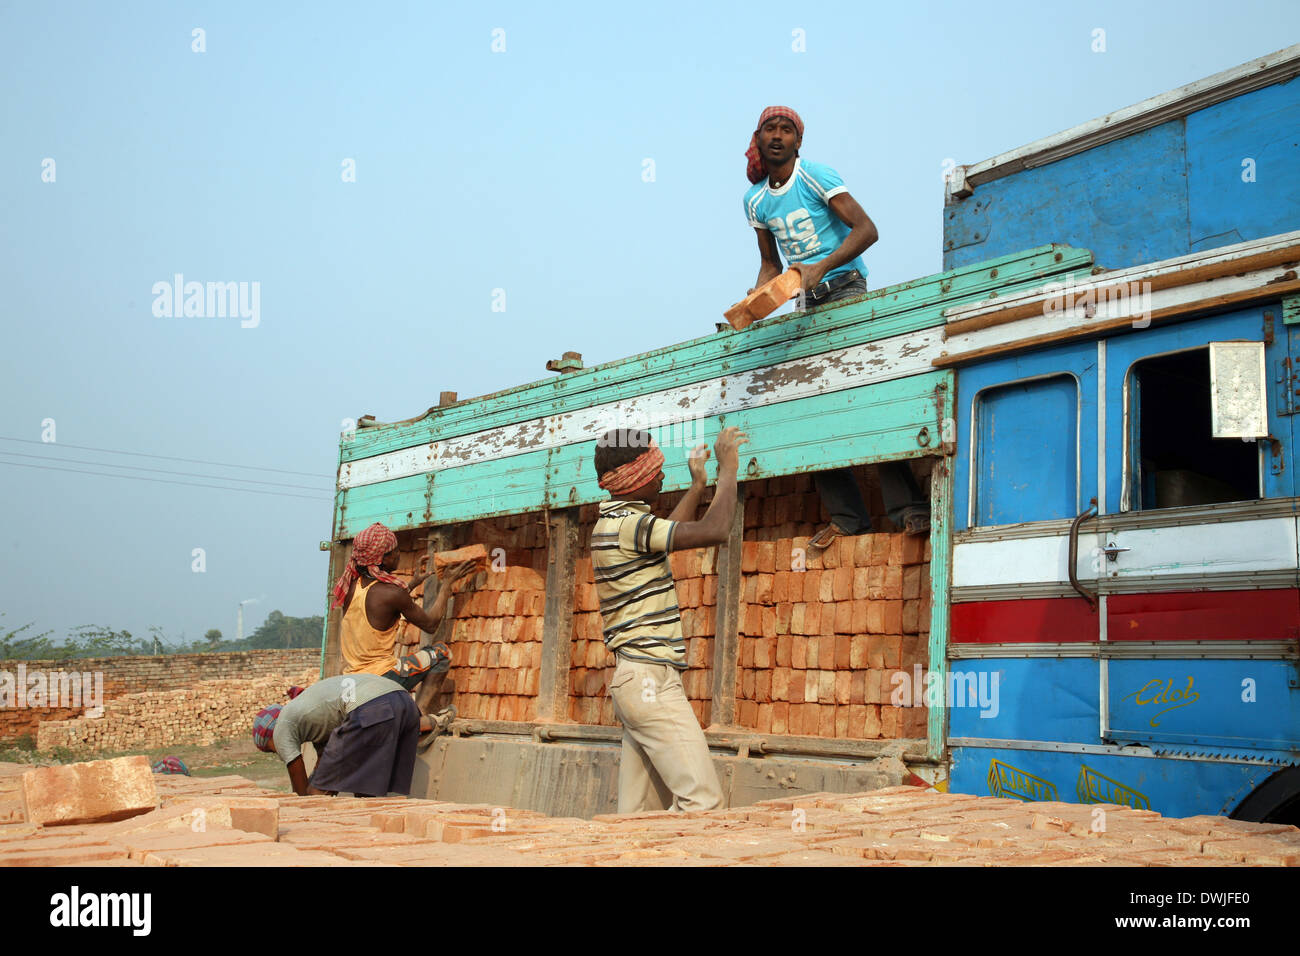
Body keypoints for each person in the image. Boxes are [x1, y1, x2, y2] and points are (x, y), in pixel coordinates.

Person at [741, 105, 930, 545]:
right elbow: (770, 264)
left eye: (787, 130)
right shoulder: (754, 200)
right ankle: (848, 519)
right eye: (770, 129)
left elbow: (867, 230)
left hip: (845, 288)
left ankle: (910, 509)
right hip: (804, 302)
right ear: (759, 138)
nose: (778, 136)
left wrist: (820, 266)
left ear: (797, 142)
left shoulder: (815, 176)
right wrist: (750, 305)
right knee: (811, 408)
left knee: (864, 397)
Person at [591, 425, 749, 813]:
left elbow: (666, 538)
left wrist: (697, 488)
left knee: (638, 819)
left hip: (635, 681)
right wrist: (729, 468)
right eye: (656, 468)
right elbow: (715, 530)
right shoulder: (629, 526)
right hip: (650, 680)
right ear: (637, 476)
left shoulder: (616, 524)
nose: (663, 476)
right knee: (703, 802)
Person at [331, 521, 476, 720]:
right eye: (395, 551)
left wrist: (414, 582)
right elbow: (431, 624)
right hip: (380, 676)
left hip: (352, 678)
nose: (399, 555)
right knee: (441, 653)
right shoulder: (392, 593)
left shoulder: (350, 587)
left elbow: (380, 607)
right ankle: (421, 716)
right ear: (383, 558)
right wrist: (447, 585)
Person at [252, 674, 423, 797]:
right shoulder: (316, 722)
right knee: (364, 787)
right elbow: (327, 767)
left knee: (315, 795)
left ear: (270, 736)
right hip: (404, 702)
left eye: (271, 750)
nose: (278, 754)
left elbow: (301, 791)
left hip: (371, 705)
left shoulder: (282, 725)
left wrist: (301, 811)